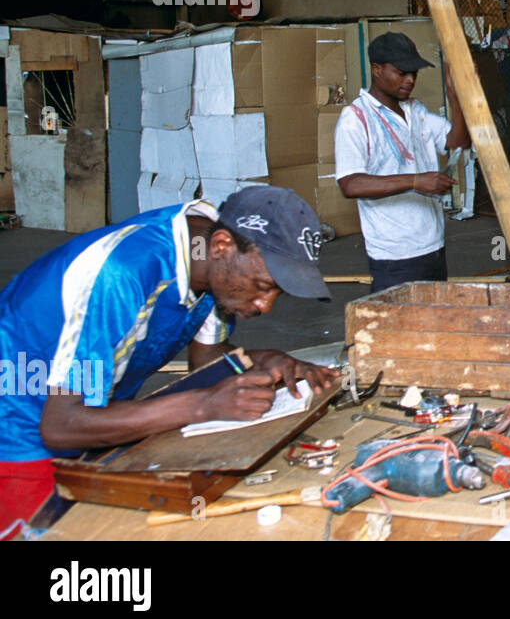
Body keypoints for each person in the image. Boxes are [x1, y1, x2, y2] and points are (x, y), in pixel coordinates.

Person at [0, 186, 339, 539]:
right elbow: (61, 426)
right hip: (19, 419)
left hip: (88, 409)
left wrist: (268, 360)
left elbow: (206, 359)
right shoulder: (121, 275)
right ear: (222, 246)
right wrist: (203, 405)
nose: (264, 305)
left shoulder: (207, 263)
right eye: (262, 286)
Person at [335, 32, 470, 292]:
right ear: (376, 69)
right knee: (401, 329)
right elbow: (350, 184)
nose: (410, 80)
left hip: (433, 244)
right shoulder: (356, 118)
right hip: (394, 255)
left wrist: (456, 97)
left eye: (414, 74)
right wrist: (416, 181)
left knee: (432, 325)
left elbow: (457, 141)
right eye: (401, 72)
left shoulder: (415, 110)